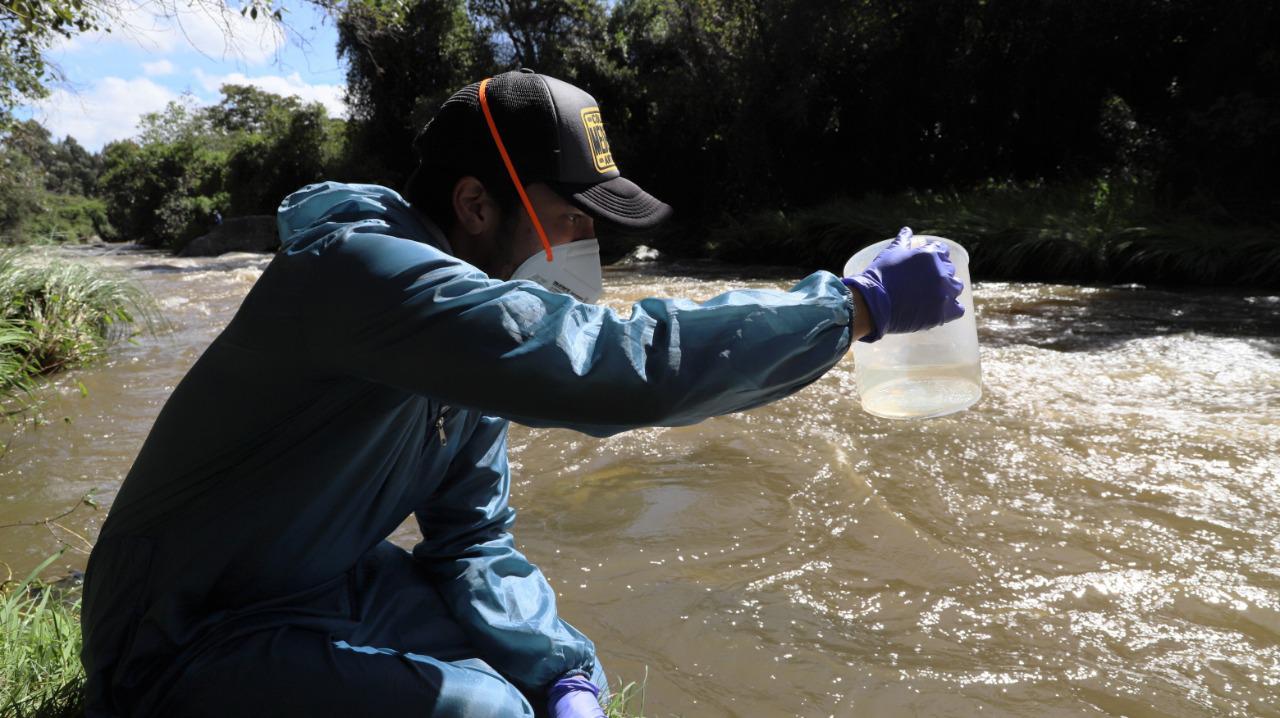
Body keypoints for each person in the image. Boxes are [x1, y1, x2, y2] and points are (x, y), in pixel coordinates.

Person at [80, 70, 964, 718]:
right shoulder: (364, 273)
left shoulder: (469, 348)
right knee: (490, 716)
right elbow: (617, 366)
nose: (586, 241)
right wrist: (848, 309)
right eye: (573, 216)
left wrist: (562, 672)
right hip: (175, 635)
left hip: (310, 584)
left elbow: (472, 540)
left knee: (527, 678)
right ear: (474, 204)